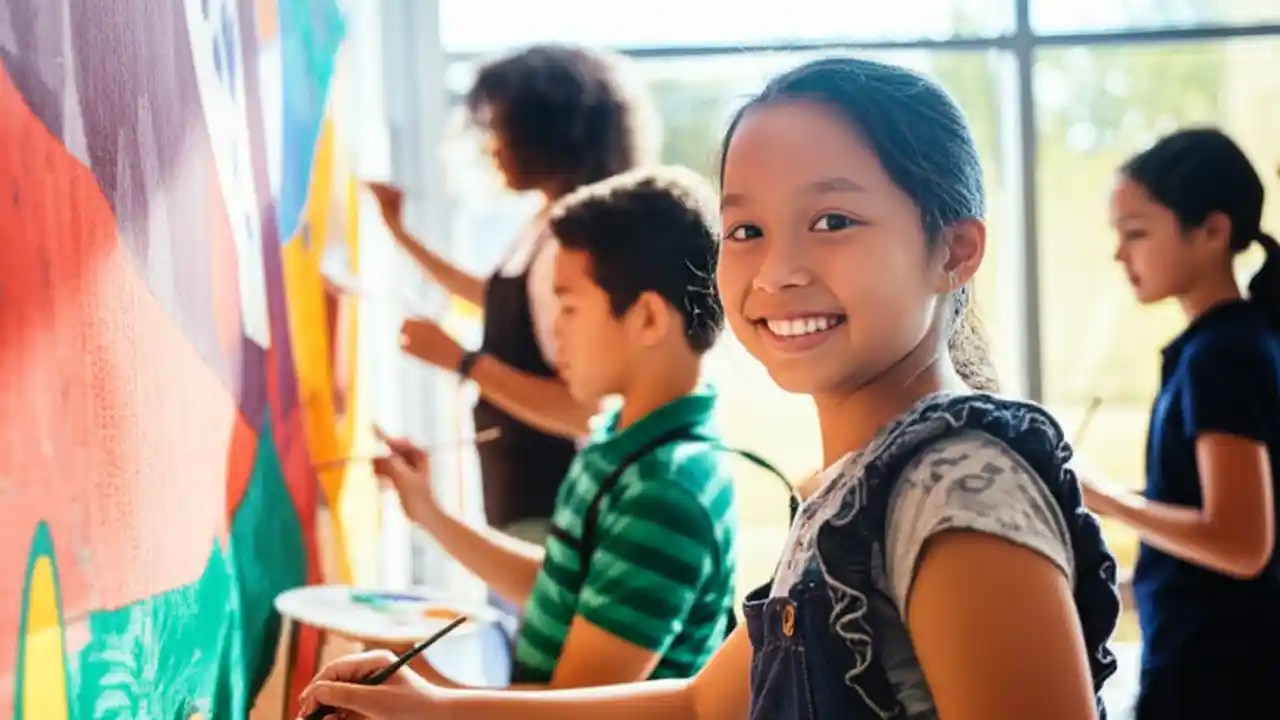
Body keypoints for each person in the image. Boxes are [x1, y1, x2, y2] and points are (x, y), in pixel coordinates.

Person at [298, 57, 1120, 720]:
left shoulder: (954, 492)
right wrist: (437, 711)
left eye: (833, 221)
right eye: (745, 231)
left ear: (955, 251)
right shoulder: (855, 487)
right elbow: (700, 705)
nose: (778, 271)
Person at [368, 166, 741, 691]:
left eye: (567, 307)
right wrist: (428, 513)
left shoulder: (666, 491)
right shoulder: (620, 439)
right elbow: (561, 588)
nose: (553, 329)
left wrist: (428, 694)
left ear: (648, 320)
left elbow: (577, 707)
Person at [368, 44, 659, 537]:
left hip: (558, 505)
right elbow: (501, 300)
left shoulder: (571, 244)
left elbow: (585, 411)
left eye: (502, 130)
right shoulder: (547, 225)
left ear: (544, 136)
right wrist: (401, 237)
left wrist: (463, 362)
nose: (491, 146)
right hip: (523, 499)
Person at [1076, 128, 1280, 719]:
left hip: (1220, 680)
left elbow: (1242, 543)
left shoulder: (1223, 356)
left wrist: (1106, 498)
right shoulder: (1231, 345)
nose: (1121, 254)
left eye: (1137, 233)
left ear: (1212, 231)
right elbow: (1206, 512)